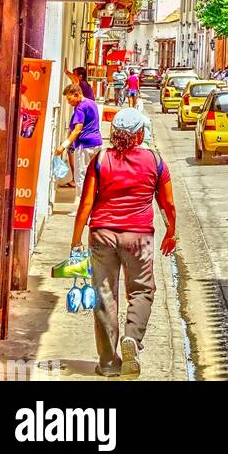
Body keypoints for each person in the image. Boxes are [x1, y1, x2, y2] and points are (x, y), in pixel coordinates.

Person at [70, 108, 176, 379]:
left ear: (115, 133)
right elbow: (168, 203)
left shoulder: (101, 158)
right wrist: (171, 231)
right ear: (140, 134)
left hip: (102, 234)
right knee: (141, 290)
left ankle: (107, 362)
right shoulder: (155, 160)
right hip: (138, 237)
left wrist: (75, 242)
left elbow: (86, 204)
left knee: (104, 296)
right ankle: (132, 339)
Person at [56, 83, 103, 191]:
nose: (69, 103)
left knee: (81, 176)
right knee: (94, 174)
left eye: (70, 99)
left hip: (84, 146)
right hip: (97, 143)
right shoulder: (91, 103)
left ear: (77, 94)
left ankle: (82, 202)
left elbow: (77, 130)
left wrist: (63, 146)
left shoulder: (80, 108)